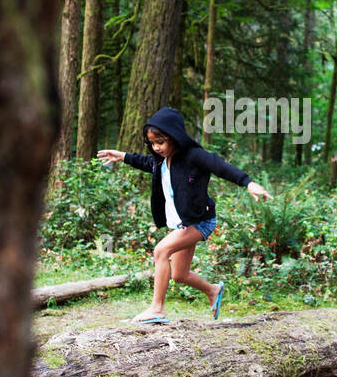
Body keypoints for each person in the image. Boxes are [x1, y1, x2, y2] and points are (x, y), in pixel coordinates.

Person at [97, 107, 272, 323]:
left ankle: (157, 309)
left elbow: (221, 167)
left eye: (160, 142)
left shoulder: (193, 156)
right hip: (183, 223)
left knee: (161, 250)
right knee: (179, 274)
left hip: (200, 221)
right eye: (152, 143)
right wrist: (122, 156)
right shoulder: (161, 160)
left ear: (174, 136)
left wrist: (249, 183)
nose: (156, 147)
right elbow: (145, 162)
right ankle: (213, 290)